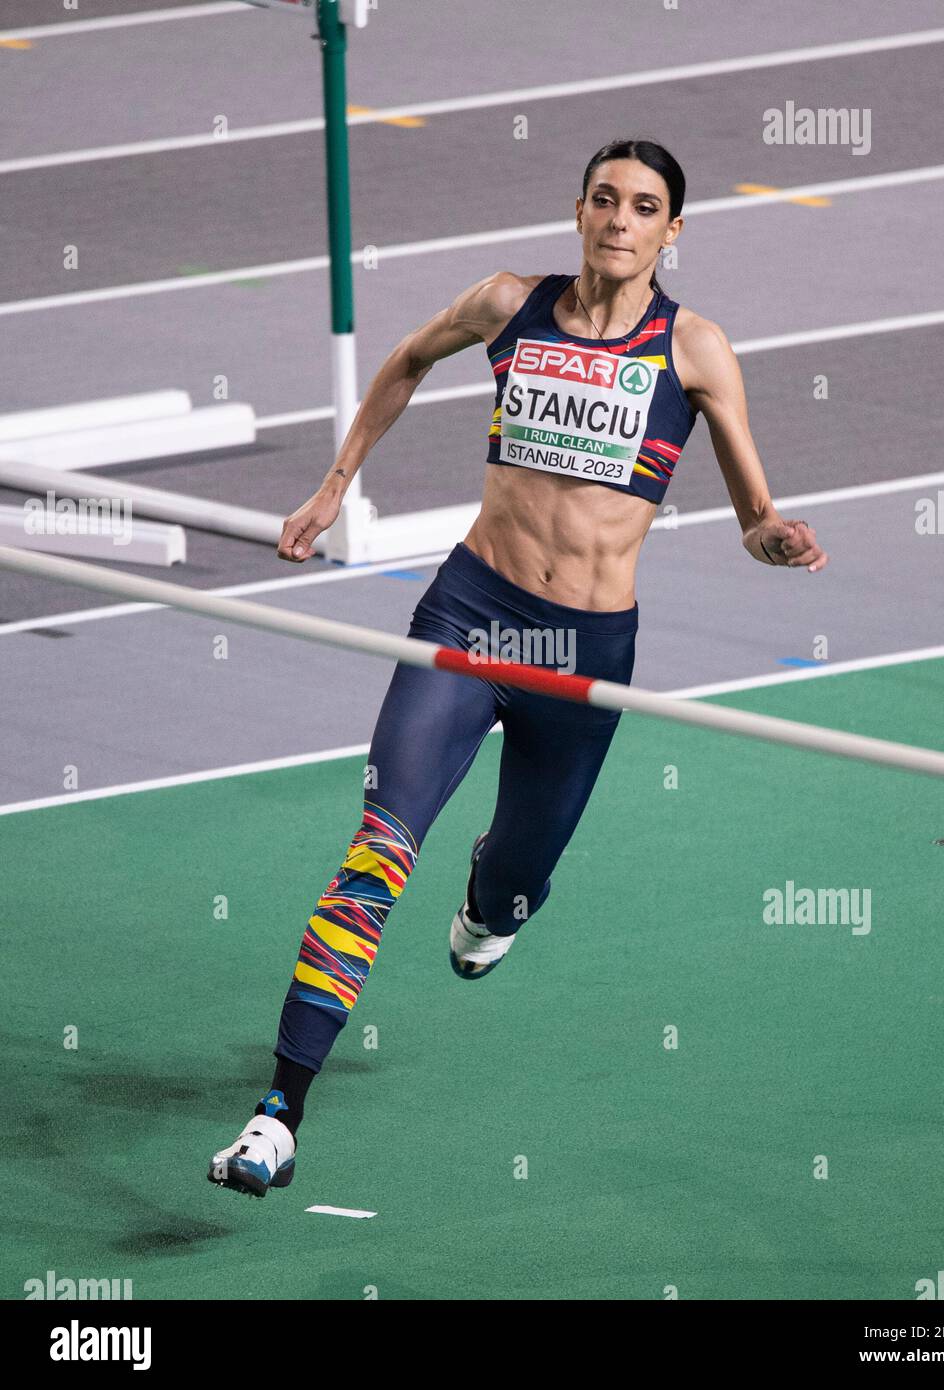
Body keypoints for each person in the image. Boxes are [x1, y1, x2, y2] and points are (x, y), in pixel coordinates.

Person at [208, 138, 827, 1198]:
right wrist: (332, 486)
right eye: (602, 199)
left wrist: (766, 533)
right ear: (578, 210)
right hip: (471, 617)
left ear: (672, 230)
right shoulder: (508, 303)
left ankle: (493, 903)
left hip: (584, 656)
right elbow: (405, 359)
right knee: (378, 847)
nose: (618, 219)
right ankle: (278, 1114)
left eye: (643, 207)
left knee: (510, 887)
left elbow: (752, 508)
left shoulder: (696, 351)